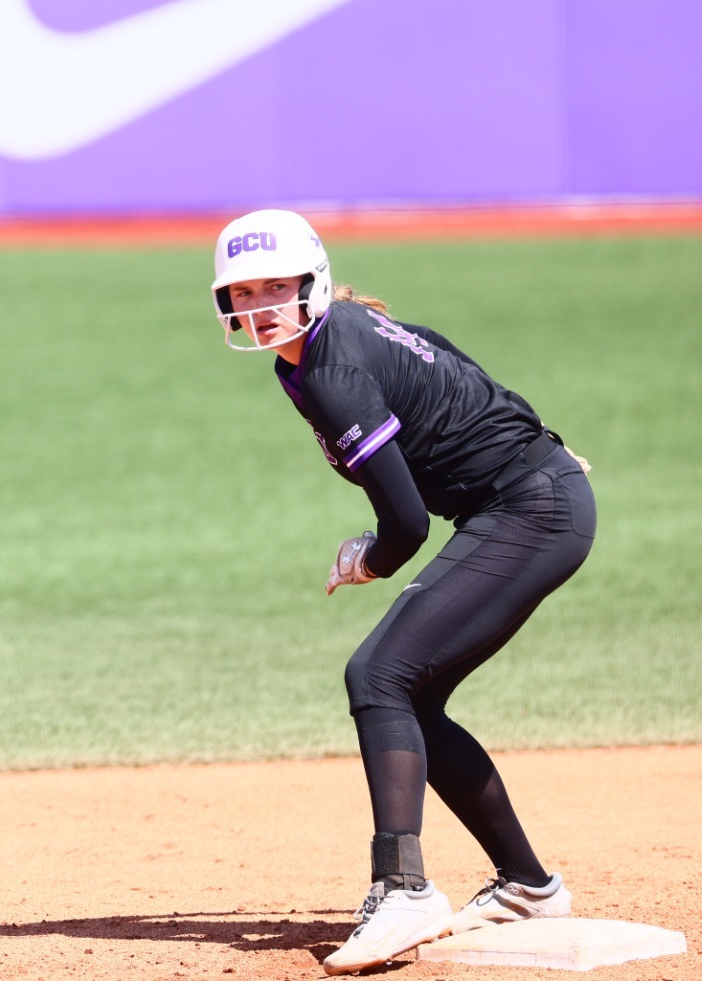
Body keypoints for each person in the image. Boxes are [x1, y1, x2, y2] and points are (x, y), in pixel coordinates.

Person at [208, 210, 596, 976]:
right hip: (529, 498)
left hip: (529, 510)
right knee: (411, 693)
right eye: (243, 292)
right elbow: (443, 354)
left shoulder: (328, 371)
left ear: (313, 282)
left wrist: (368, 559)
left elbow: (408, 524)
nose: (261, 306)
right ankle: (528, 885)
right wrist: (539, 441)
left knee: (377, 673)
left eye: (277, 287)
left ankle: (403, 888)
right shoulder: (330, 336)